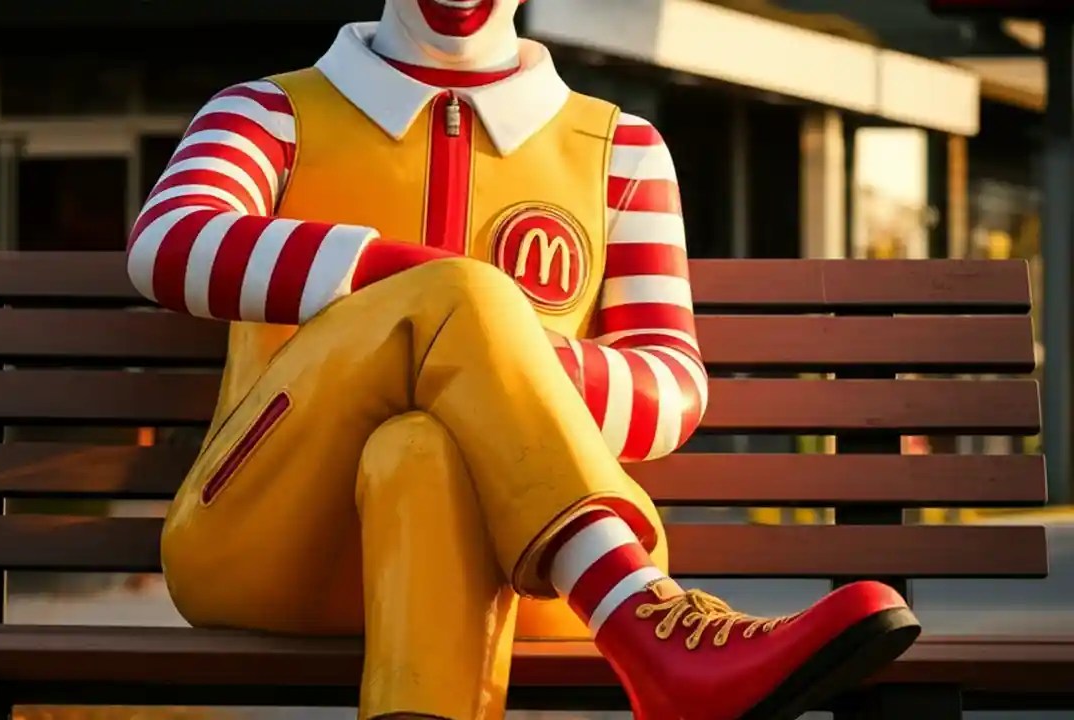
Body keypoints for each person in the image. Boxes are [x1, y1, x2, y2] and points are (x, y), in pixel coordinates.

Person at [128, 1, 921, 718]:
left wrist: (493, 355)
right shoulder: (268, 111)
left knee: (423, 449)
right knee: (461, 298)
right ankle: (641, 616)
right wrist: (448, 301)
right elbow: (169, 241)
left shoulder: (620, 149)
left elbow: (673, 387)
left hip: (531, 578)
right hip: (267, 549)